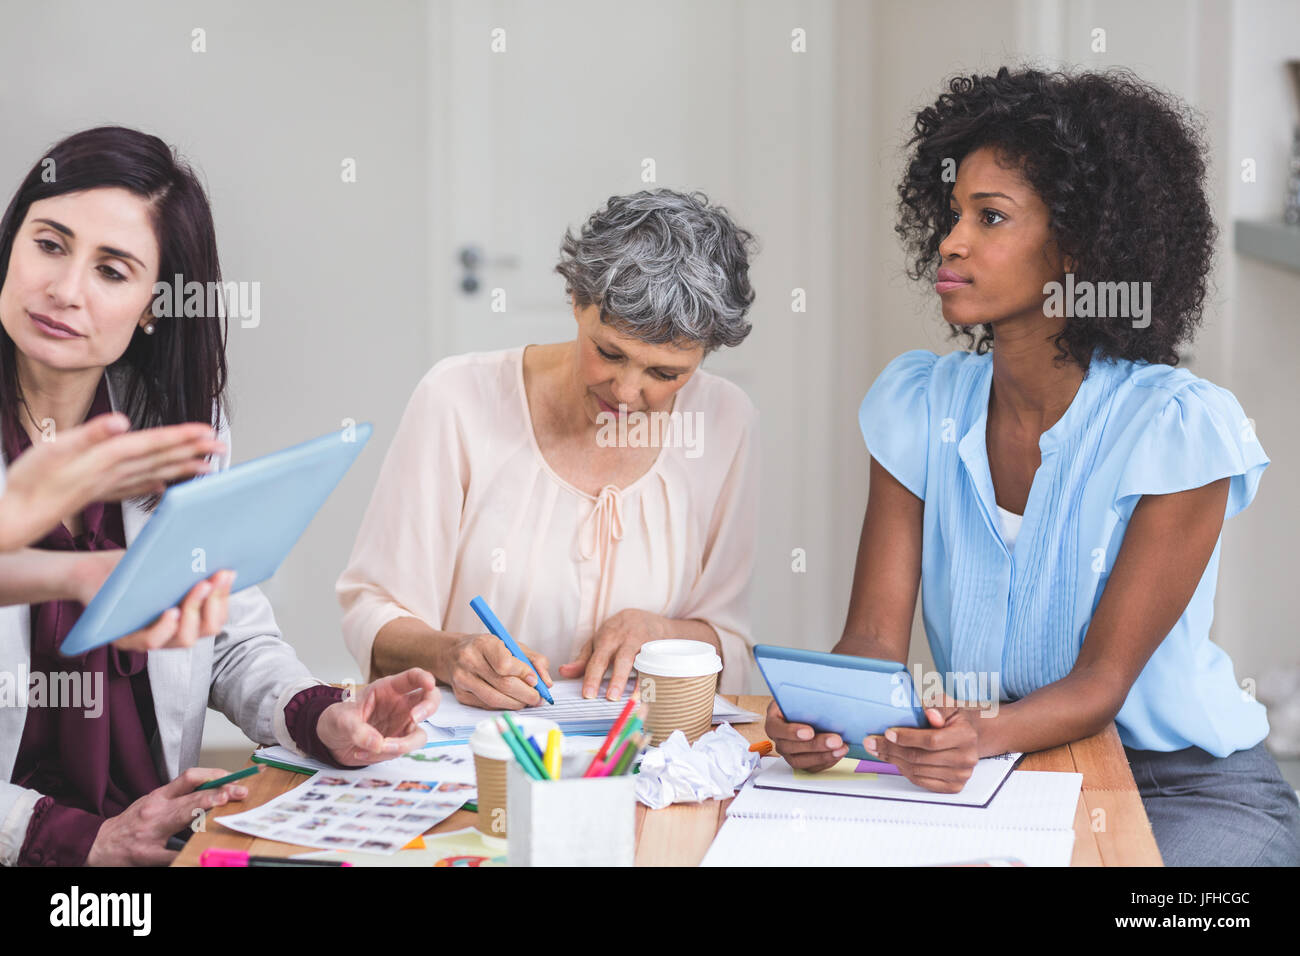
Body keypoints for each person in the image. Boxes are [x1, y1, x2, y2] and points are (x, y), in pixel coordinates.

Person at [765, 67, 1300, 866]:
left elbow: (1099, 685)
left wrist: (978, 735)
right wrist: (826, 717)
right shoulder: (921, 406)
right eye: (953, 216)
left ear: (1078, 249)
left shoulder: (1175, 430)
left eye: (991, 218)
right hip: (1003, 767)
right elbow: (875, 636)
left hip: (1180, 787)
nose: (951, 242)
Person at [0, 126, 438, 866]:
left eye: (112, 270)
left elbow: (226, 631)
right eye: (49, 244)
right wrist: (75, 842)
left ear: (150, 306)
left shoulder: (177, 423)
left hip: (165, 836)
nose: (65, 290)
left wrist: (321, 714)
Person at [338, 188, 759, 705]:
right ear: (578, 303)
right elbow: (373, 614)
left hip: (646, 750)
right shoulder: (457, 400)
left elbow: (731, 645)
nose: (627, 394)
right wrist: (452, 655)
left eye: (666, 373)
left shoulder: (725, 422)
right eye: (609, 353)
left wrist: (663, 632)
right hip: (480, 750)